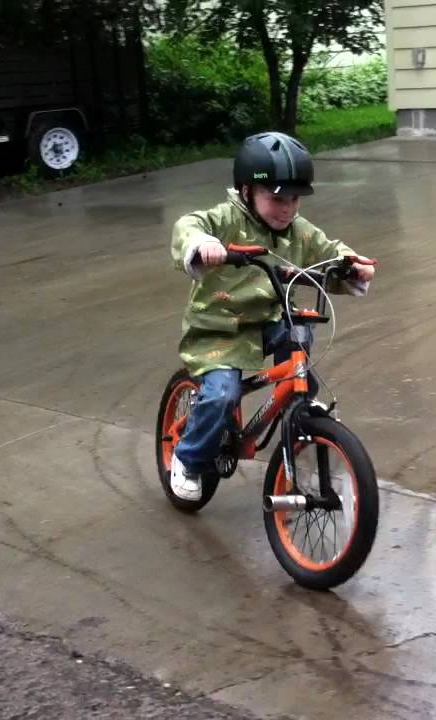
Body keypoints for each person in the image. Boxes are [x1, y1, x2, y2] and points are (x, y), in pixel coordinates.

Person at [167, 131, 375, 501]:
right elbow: (189, 225)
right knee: (222, 394)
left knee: (299, 332)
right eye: (276, 198)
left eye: (294, 199)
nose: (287, 209)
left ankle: (299, 406)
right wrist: (205, 245)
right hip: (220, 329)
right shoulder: (227, 219)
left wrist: (351, 265)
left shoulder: (299, 232)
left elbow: (329, 251)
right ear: (246, 190)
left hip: (268, 323)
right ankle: (188, 458)